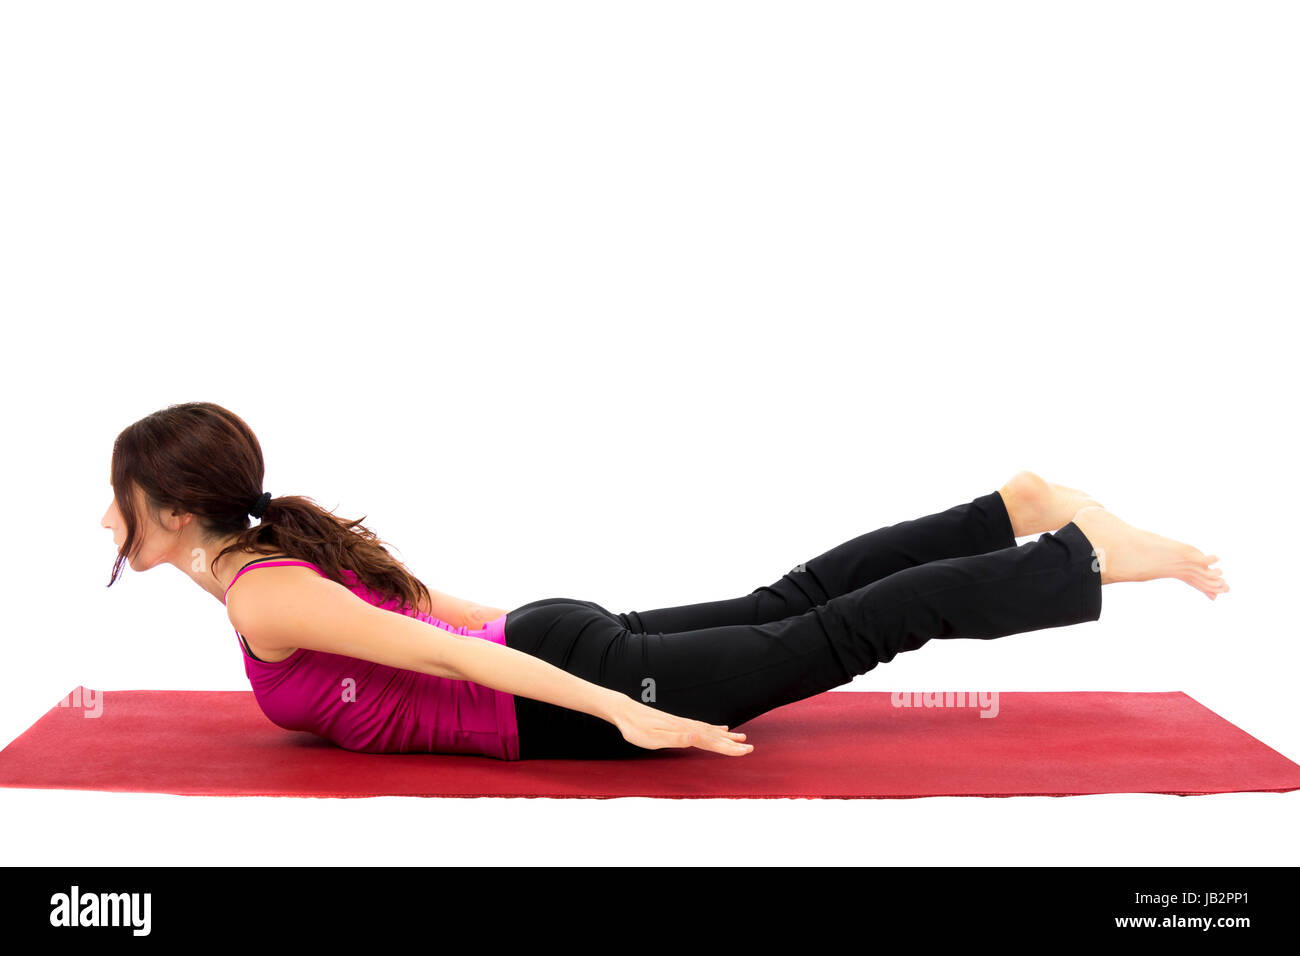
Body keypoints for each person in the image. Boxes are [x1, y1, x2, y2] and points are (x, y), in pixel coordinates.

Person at [102, 402, 1228, 761]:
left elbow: (444, 648)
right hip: (561, 644)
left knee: (842, 631)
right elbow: (428, 605)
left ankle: (1075, 558)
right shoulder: (253, 561)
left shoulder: (260, 592)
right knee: (791, 602)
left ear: (177, 511)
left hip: (564, 687)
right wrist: (584, 646)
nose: (105, 514)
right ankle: (1007, 509)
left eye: (121, 496)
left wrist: (628, 715)